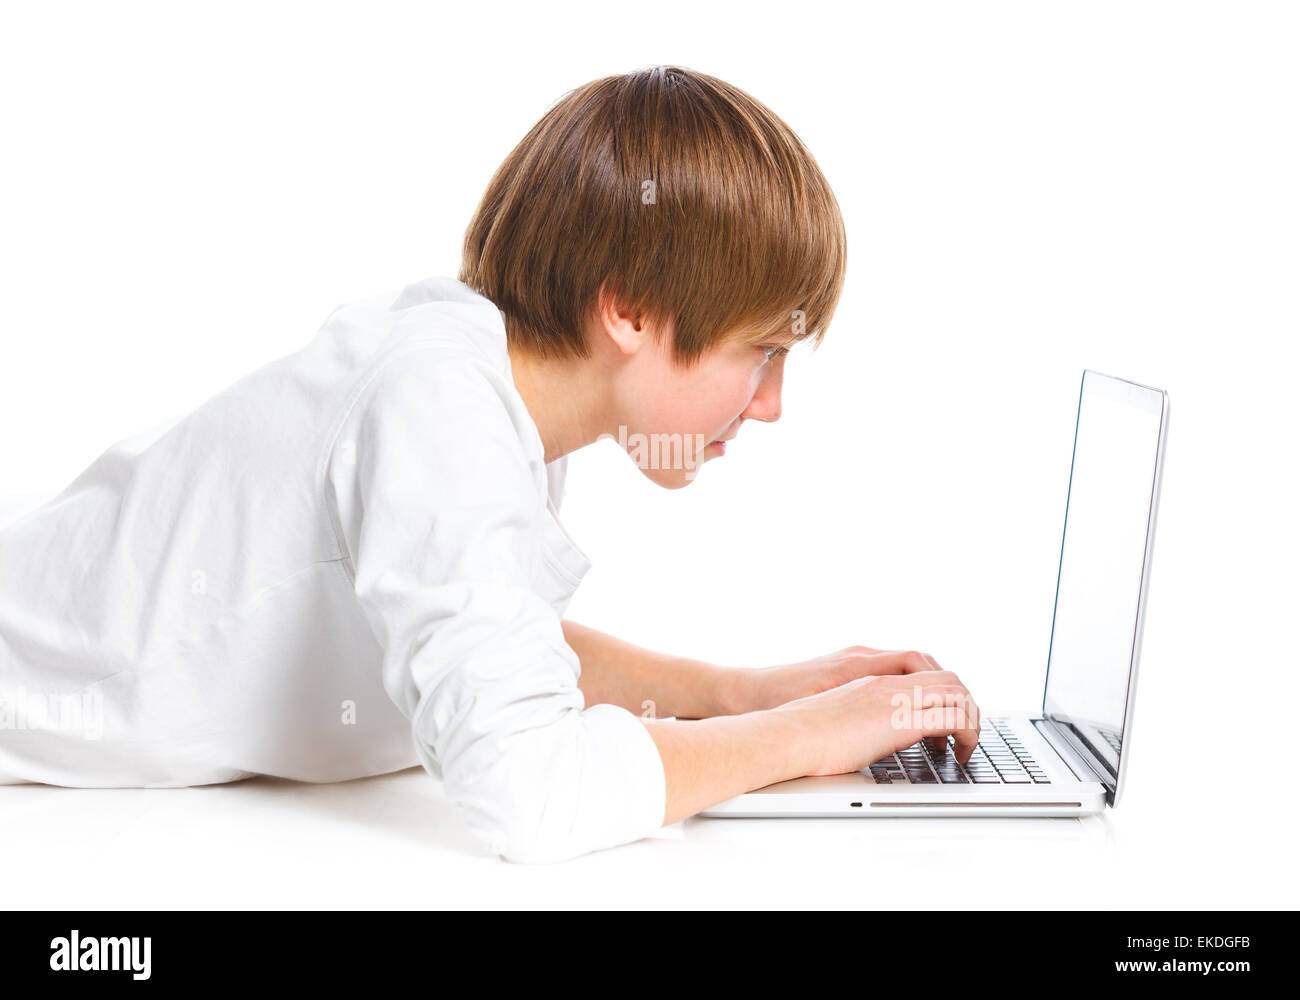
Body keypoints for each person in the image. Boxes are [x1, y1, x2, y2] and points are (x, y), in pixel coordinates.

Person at [0, 65, 979, 864]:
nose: (768, 404)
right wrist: (818, 734)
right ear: (630, 309)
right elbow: (532, 790)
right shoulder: (440, 411)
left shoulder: (478, 393)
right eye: (761, 351)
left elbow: (488, 643)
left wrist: (740, 691)